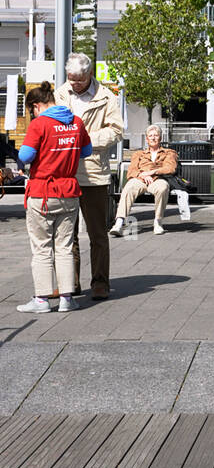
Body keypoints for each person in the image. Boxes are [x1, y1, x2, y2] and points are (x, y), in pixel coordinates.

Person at [16, 82, 92, 313]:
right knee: (65, 247)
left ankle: (41, 300)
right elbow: (87, 151)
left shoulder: (40, 124)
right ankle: (67, 299)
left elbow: (26, 156)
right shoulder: (76, 122)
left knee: (41, 248)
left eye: (32, 110)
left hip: (42, 193)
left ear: (36, 106)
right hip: (69, 191)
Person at [57, 53, 124, 301]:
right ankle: (69, 283)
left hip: (94, 173)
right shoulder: (60, 93)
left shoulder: (107, 97)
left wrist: (85, 140)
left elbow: (116, 131)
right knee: (66, 233)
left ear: (89, 75)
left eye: (79, 80)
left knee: (97, 233)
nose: (74, 84)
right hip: (65, 172)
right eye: (71, 79)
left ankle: (100, 282)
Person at [111, 126, 183, 236]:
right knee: (129, 187)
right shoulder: (139, 154)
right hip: (141, 179)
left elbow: (170, 168)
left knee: (162, 188)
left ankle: (158, 222)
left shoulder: (169, 153)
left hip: (159, 179)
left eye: (156, 135)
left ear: (160, 137)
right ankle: (119, 223)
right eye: (150, 136)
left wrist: (151, 173)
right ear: (147, 139)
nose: (153, 138)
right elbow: (131, 171)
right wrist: (142, 175)